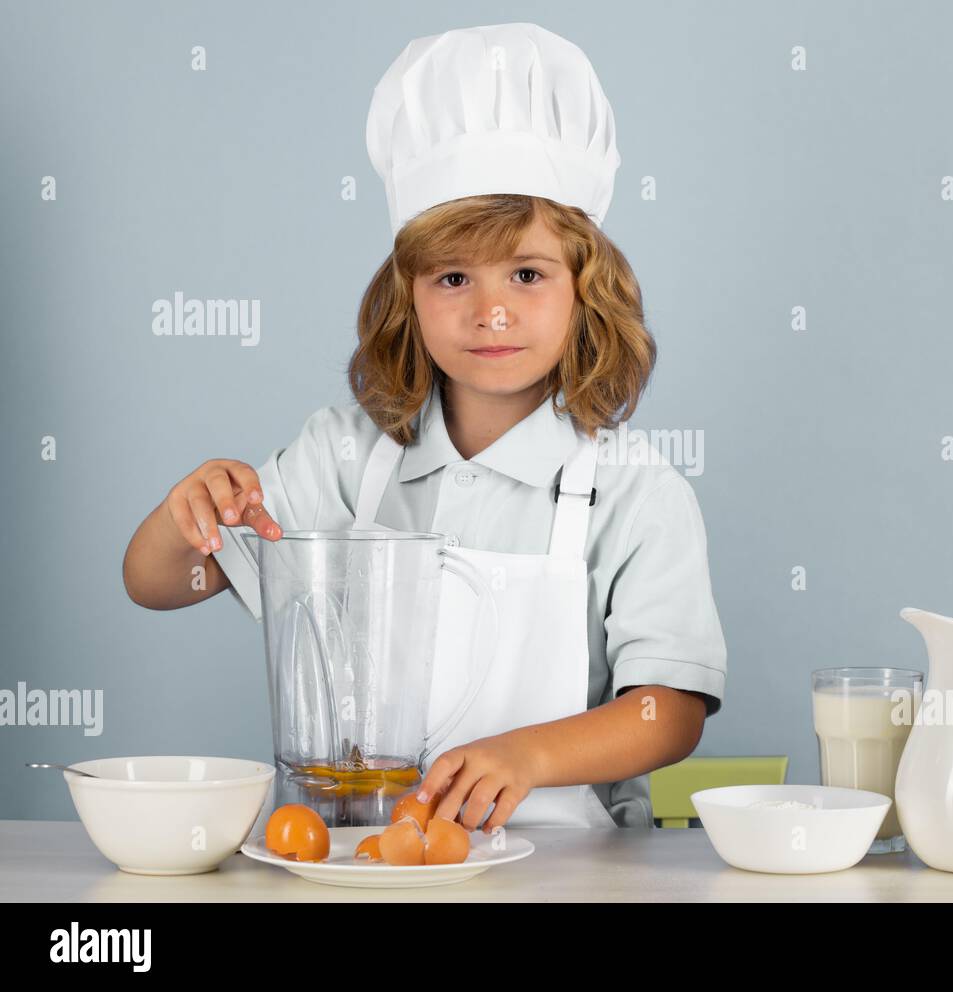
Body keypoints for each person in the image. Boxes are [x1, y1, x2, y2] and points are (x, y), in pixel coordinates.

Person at [122, 22, 727, 831]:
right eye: (452, 277)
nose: (492, 310)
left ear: (589, 289)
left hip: (567, 870)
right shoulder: (344, 457)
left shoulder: (637, 490)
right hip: (363, 850)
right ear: (407, 295)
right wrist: (184, 516)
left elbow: (671, 713)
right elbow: (157, 585)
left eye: (527, 273)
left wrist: (528, 756)